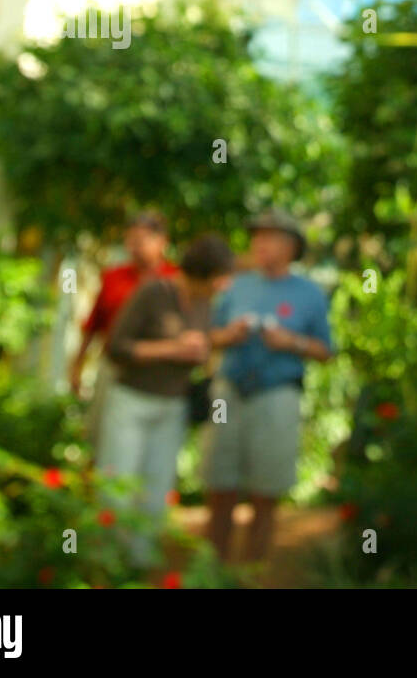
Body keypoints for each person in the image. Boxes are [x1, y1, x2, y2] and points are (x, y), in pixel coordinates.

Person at [98, 233, 236, 566]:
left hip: (172, 406)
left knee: (155, 497)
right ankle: (104, 568)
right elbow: (116, 348)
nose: (222, 286)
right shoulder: (153, 292)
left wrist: (204, 348)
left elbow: (199, 347)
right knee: (115, 491)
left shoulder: (204, 302)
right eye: (218, 277)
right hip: (131, 402)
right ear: (202, 272)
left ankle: (138, 569)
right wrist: (173, 348)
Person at [204, 210, 333, 563]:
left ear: (291, 247)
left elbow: (326, 350)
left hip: (277, 394)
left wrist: (292, 342)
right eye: (256, 236)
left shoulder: (309, 293)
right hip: (229, 392)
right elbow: (207, 337)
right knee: (220, 486)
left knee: (266, 492)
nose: (259, 243)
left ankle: (252, 573)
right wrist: (228, 336)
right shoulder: (235, 285)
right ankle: (212, 574)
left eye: (269, 236)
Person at [69, 212, 178, 453]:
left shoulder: (176, 280)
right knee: (101, 436)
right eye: (130, 240)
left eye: (141, 240)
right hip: (114, 367)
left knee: (148, 446)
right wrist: (77, 365)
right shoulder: (113, 277)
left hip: (157, 374)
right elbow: (92, 325)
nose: (135, 247)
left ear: (162, 241)